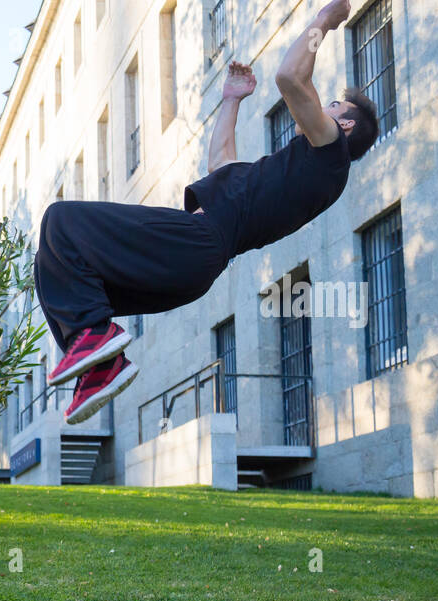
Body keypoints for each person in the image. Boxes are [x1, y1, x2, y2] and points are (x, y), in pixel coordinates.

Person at [34, 0, 377, 425]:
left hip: (194, 244)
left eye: (331, 109)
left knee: (61, 221)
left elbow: (290, 76)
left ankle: (96, 339)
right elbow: (222, 163)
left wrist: (325, 19)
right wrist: (231, 99)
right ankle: (98, 361)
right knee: (53, 263)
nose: (321, 108)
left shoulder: (331, 157)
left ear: (343, 126)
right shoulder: (290, 175)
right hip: (191, 264)